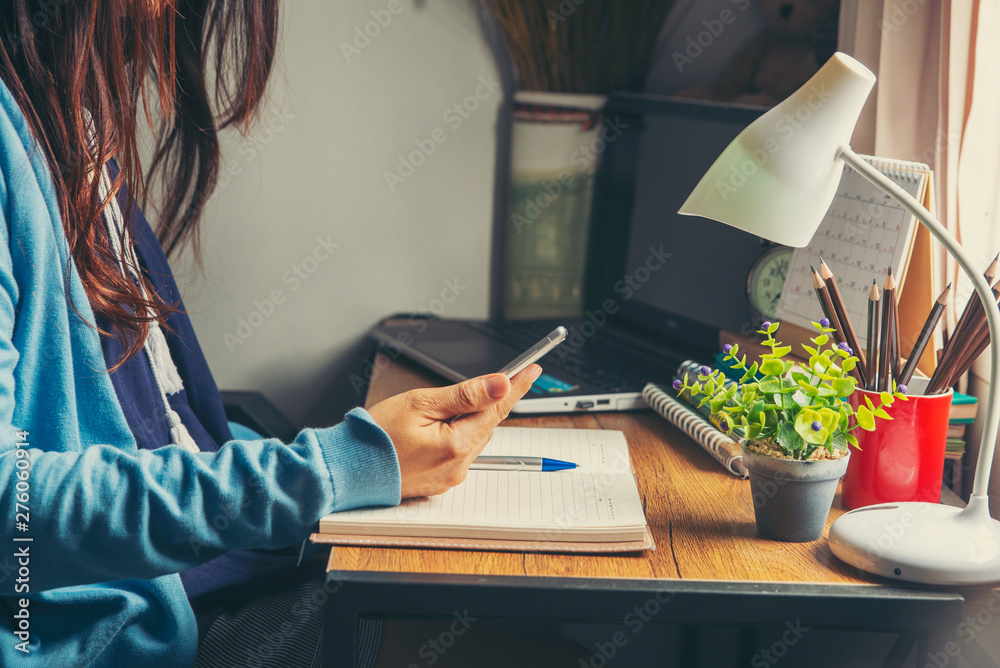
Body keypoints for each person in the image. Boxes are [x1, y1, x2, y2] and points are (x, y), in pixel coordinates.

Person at [0, 1, 539, 666]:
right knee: (507, 647)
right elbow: (11, 509)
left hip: (192, 584)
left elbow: (170, 433)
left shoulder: (70, 123)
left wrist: (351, 461)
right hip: (113, 634)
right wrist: (331, 471)